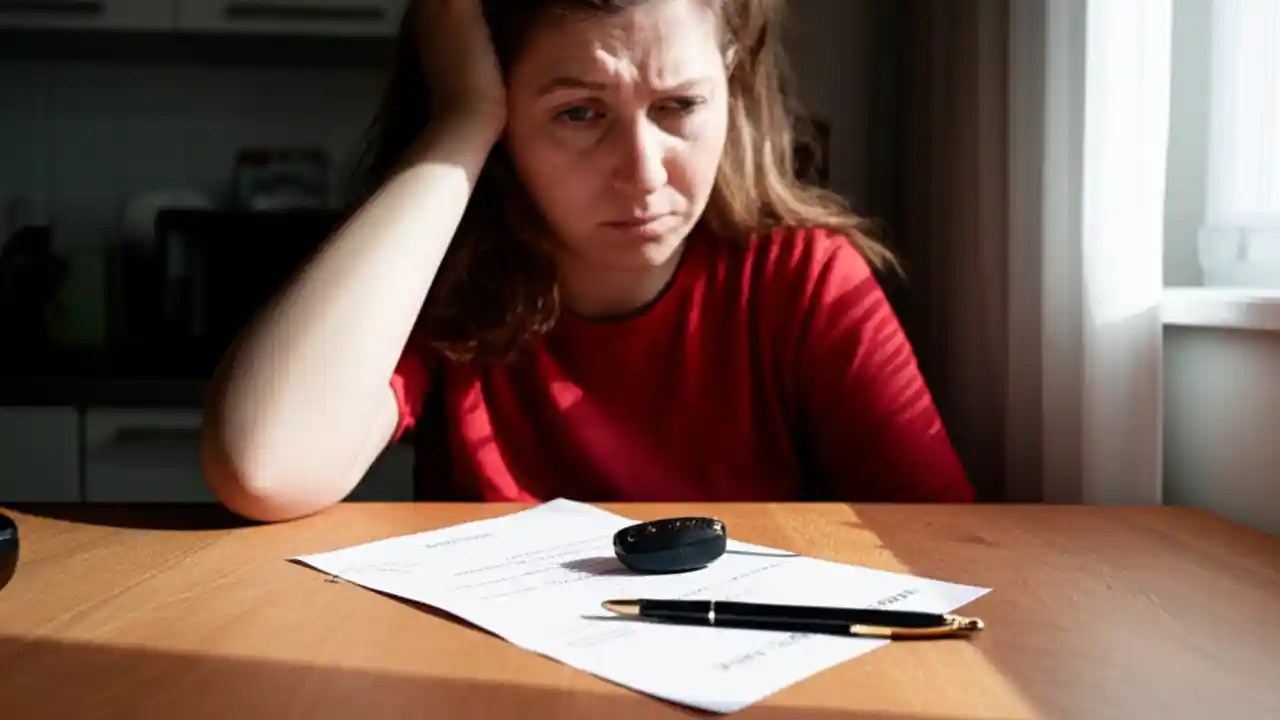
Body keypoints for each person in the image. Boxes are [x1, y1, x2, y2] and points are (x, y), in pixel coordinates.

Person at [200, 0, 974, 523]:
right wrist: (463, 119)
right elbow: (264, 465)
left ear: (731, 81)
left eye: (679, 106)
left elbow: (944, 550)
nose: (642, 172)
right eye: (578, 113)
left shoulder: (802, 283)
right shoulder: (447, 290)